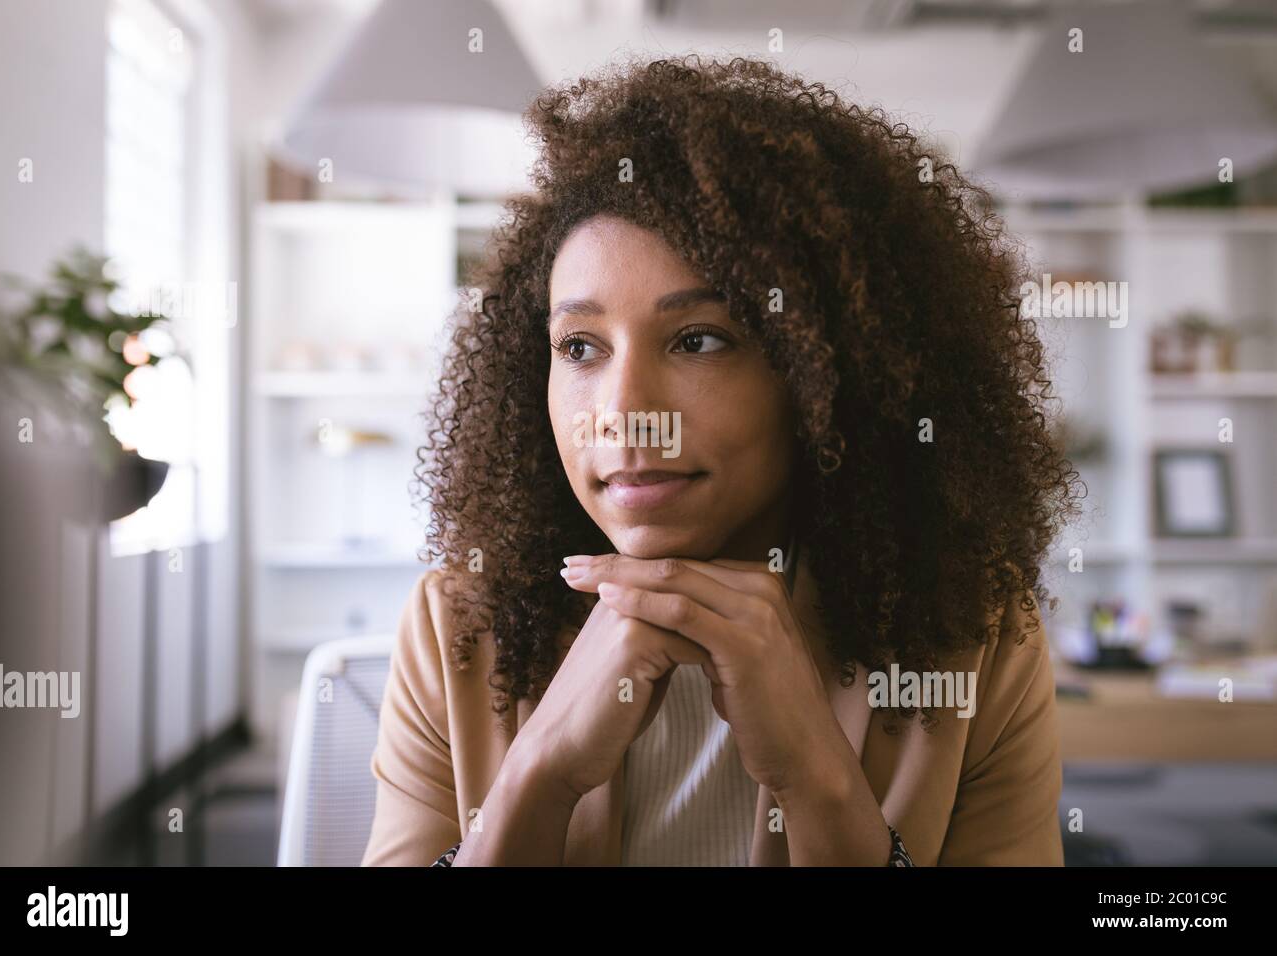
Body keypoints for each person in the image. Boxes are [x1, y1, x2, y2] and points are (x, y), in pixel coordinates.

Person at [361, 54, 1082, 867]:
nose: (626, 413)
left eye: (698, 340)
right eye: (581, 346)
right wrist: (541, 772)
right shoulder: (460, 629)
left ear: (825, 371)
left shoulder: (972, 638)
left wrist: (818, 777)